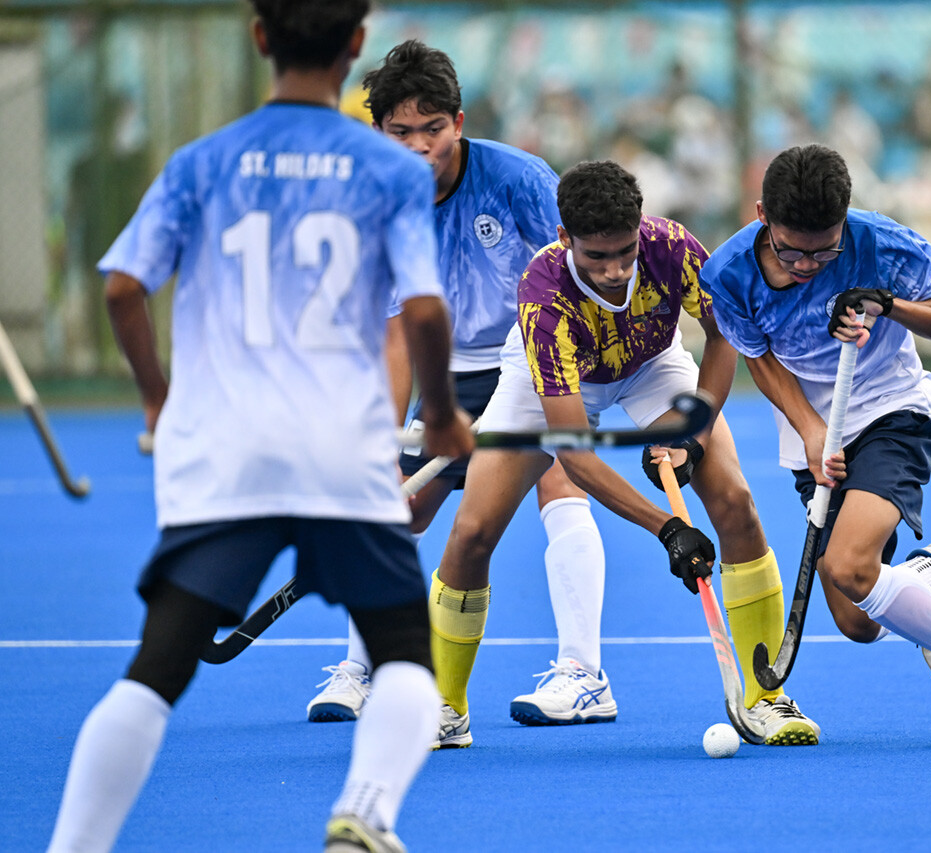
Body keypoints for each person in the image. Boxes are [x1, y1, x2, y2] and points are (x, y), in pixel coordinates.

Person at [46, 3, 474, 851]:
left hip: (222, 454)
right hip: (338, 451)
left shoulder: (200, 163)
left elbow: (123, 289)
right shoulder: (390, 171)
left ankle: (72, 846)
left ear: (258, 39)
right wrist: (446, 415)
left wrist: (158, 400)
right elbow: (423, 312)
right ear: (356, 47)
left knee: (156, 671)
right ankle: (364, 811)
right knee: (405, 663)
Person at [428, 159, 822, 748]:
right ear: (564, 241)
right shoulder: (544, 299)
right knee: (472, 532)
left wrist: (694, 429)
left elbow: (723, 336)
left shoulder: (672, 249)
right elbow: (573, 454)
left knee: (736, 500)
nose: (614, 270)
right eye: (596, 257)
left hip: (650, 364)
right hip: (557, 384)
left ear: (640, 228)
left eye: (624, 253)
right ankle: (445, 708)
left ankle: (766, 697)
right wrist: (666, 527)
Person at [305, 39, 609, 731]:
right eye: (400, 132)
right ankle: (367, 664)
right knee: (396, 510)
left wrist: (544, 380)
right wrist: (391, 439)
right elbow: (395, 335)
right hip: (449, 372)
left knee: (558, 479)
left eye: (432, 129)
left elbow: (583, 280)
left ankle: (585, 674)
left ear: (460, 122)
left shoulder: (522, 181)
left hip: (539, 355)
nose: (418, 146)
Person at [699, 144, 931, 747]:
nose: (807, 265)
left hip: (891, 411)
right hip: (815, 434)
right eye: (791, 250)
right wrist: (810, 427)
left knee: (847, 565)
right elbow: (758, 357)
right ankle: (927, 576)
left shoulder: (883, 244)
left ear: (844, 221)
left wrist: (888, 304)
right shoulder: (729, 274)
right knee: (854, 619)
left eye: (824, 251)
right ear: (762, 213)